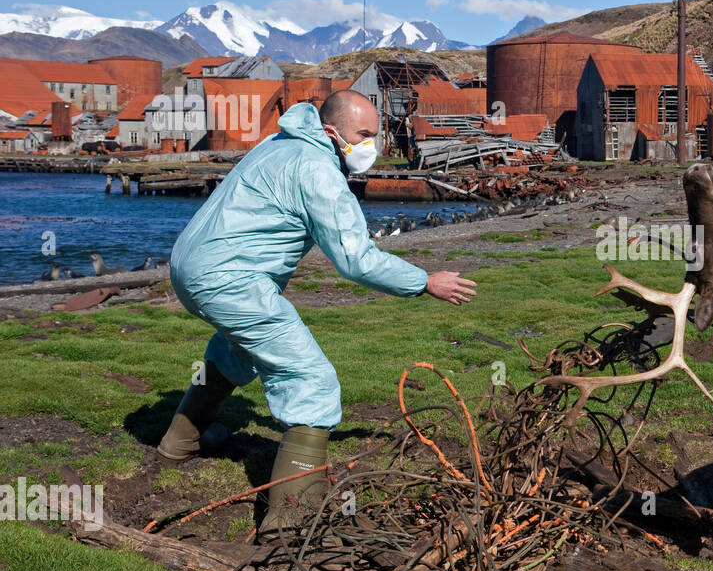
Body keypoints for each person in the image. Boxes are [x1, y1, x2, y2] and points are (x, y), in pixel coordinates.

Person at [156, 90, 476, 536]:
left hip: (191, 266)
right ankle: (291, 516)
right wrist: (425, 282)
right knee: (311, 379)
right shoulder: (317, 171)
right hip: (230, 279)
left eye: (375, 135)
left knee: (238, 348)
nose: (373, 146)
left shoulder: (280, 144)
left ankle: (180, 443)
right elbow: (356, 259)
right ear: (332, 132)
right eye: (364, 135)